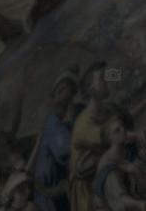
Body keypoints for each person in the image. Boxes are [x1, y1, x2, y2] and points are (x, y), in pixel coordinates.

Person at [30, 67, 80, 211]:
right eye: (58, 91)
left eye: (63, 89)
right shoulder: (53, 122)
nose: (60, 94)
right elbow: (64, 151)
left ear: (73, 91)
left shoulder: (79, 111)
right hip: (50, 193)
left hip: (61, 187)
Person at [69, 63, 112, 211]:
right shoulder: (83, 124)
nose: (107, 81)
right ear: (91, 90)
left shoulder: (106, 111)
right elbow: (109, 137)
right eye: (102, 79)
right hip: (88, 193)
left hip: (106, 177)